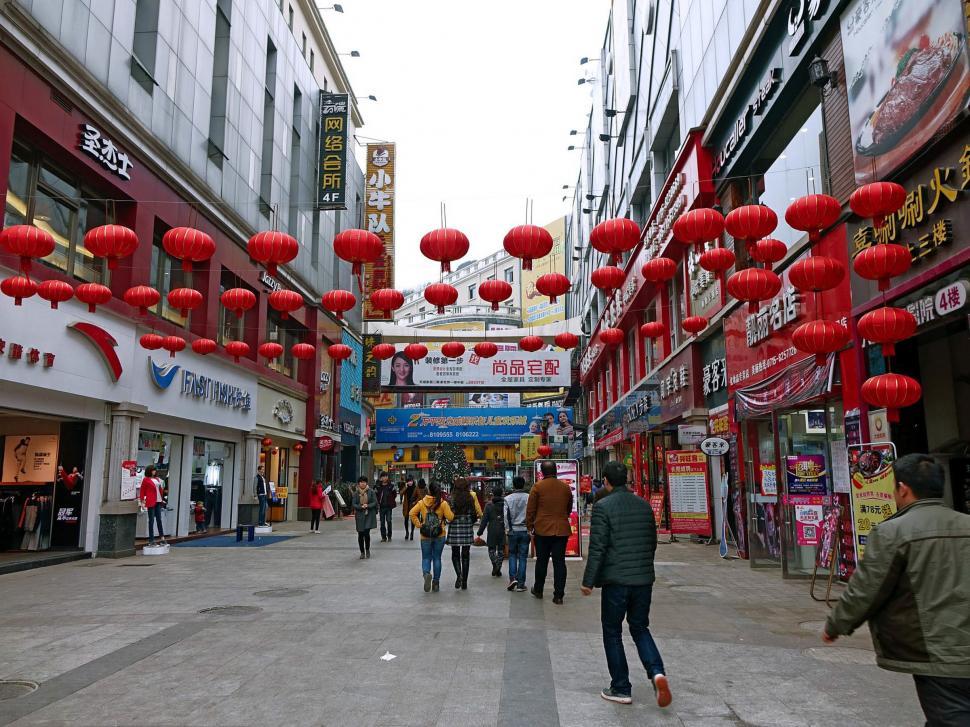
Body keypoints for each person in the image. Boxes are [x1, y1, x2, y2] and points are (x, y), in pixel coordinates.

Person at [823, 454, 970, 725]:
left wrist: (836, 624)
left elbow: (867, 589)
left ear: (902, 489)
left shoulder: (893, 532)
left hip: (938, 653)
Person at [581, 461, 671, 708]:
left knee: (612, 631)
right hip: (643, 579)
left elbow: (597, 547)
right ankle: (657, 672)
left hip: (616, 580)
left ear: (606, 481)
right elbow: (651, 542)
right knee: (640, 627)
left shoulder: (603, 507)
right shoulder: (644, 505)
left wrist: (588, 581)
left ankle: (621, 687)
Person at [527, 460, 573, 604]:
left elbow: (531, 509)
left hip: (542, 530)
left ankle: (538, 590)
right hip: (561, 530)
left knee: (542, 561)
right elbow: (569, 507)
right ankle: (558, 595)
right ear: (556, 471)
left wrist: (529, 526)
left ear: (542, 472)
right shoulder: (565, 487)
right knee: (560, 563)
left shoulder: (537, 487)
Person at [409, 482, 454, 593]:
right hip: (439, 534)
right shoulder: (443, 503)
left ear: (429, 490)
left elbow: (411, 513)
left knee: (426, 558)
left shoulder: (422, 502)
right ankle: (436, 583)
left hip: (425, 535)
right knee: (437, 558)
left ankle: (426, 574)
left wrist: (419, 524)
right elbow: (450, 517)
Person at [446, 478, 482, 590]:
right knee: (466, 555)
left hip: (455, 527)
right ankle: (465, 582)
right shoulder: (470, 498)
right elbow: (474, 515)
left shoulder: (451, 498)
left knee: (455, 554)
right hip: (466, 527)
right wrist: (470, 521)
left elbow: (449, 514)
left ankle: (459, 575)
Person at [504, 476, 530, 592]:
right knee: (523, 557)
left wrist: (507, 529)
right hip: (525, 530)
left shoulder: (507, 499)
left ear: (513, 485)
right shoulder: (529, 497)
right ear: (523, 485)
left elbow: (505, 516)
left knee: (512, 555)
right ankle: (521, 584)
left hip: (513, 530)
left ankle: (512, 579)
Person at [477, 485, 507, 578]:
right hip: (502, 528)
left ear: (493, 494)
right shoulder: (505, 504)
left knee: (491, 549)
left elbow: (484, 520)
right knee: (501, 550)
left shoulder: (489, 505)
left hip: (492, 529)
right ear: (501, 493)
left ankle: (495, 564)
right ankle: (499, 567)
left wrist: (480, 532)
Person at [139, 466, 166, 546]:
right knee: (151, 521)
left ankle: (162, 538)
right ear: (149, 471)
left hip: (158, 501)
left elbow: (160, 489)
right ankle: (151, 539)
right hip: (151, 501)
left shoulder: (157, 479)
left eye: (155, 470)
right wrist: (142, 501)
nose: (154, 472)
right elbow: (142, 490)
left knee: (159, 520)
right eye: (153, 470)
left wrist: (162, 498)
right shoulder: (146, 479)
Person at [352, 476, 377, 559]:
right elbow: (354, 504)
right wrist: (360, 507)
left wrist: (367, 505)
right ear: (358, 483)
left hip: (368, 515)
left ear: (366, 483)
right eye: (361, 482)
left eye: (364, 482)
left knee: (366, 533)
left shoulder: (371, 492)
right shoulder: (356, 493)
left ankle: (367, 550)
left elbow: (375, 502)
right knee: (360, 534)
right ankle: (362, 552)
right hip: (359, 516)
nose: (362, 483)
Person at [375, 473, 397, 542]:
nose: (385, 478)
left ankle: (389, 536)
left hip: (388, 507)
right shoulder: (378, 486)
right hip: (381, 507)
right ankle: (383, 537)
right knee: (382, 522)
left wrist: (391, 500)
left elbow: (394, 494)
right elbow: (376, 495)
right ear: (381, 478)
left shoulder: (391, 486)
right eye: (383, 477)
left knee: (389, 521)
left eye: (386, 476)